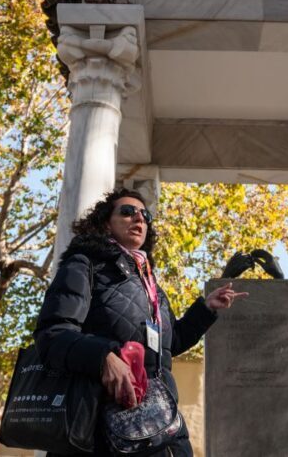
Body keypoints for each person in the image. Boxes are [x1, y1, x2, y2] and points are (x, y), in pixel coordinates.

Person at [34, 188, 247, 456]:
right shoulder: (84, 265)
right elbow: (52, 334)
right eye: (127, 211)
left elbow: (169, 346)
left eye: (144, 215)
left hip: (161, 425)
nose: (139, 219)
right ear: (104, 223)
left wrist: (205, 309)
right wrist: (104, 357)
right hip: (104, 431)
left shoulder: (149, 282)